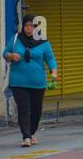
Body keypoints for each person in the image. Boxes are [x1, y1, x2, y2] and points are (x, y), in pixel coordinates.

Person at [4, 15, 58, 147]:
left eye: (31, 26)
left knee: (36, 109)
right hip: (18, 82)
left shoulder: (43, 42)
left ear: (35, 27)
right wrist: (11, 55)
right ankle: (26, 137)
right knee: (23, 108)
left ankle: (32, 132)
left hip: (38, 83)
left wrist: (54, 72)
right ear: (23, 27)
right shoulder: (16, 39)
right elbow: (5, 52)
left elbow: (50, 58)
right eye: (26, 26)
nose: (28, 29)